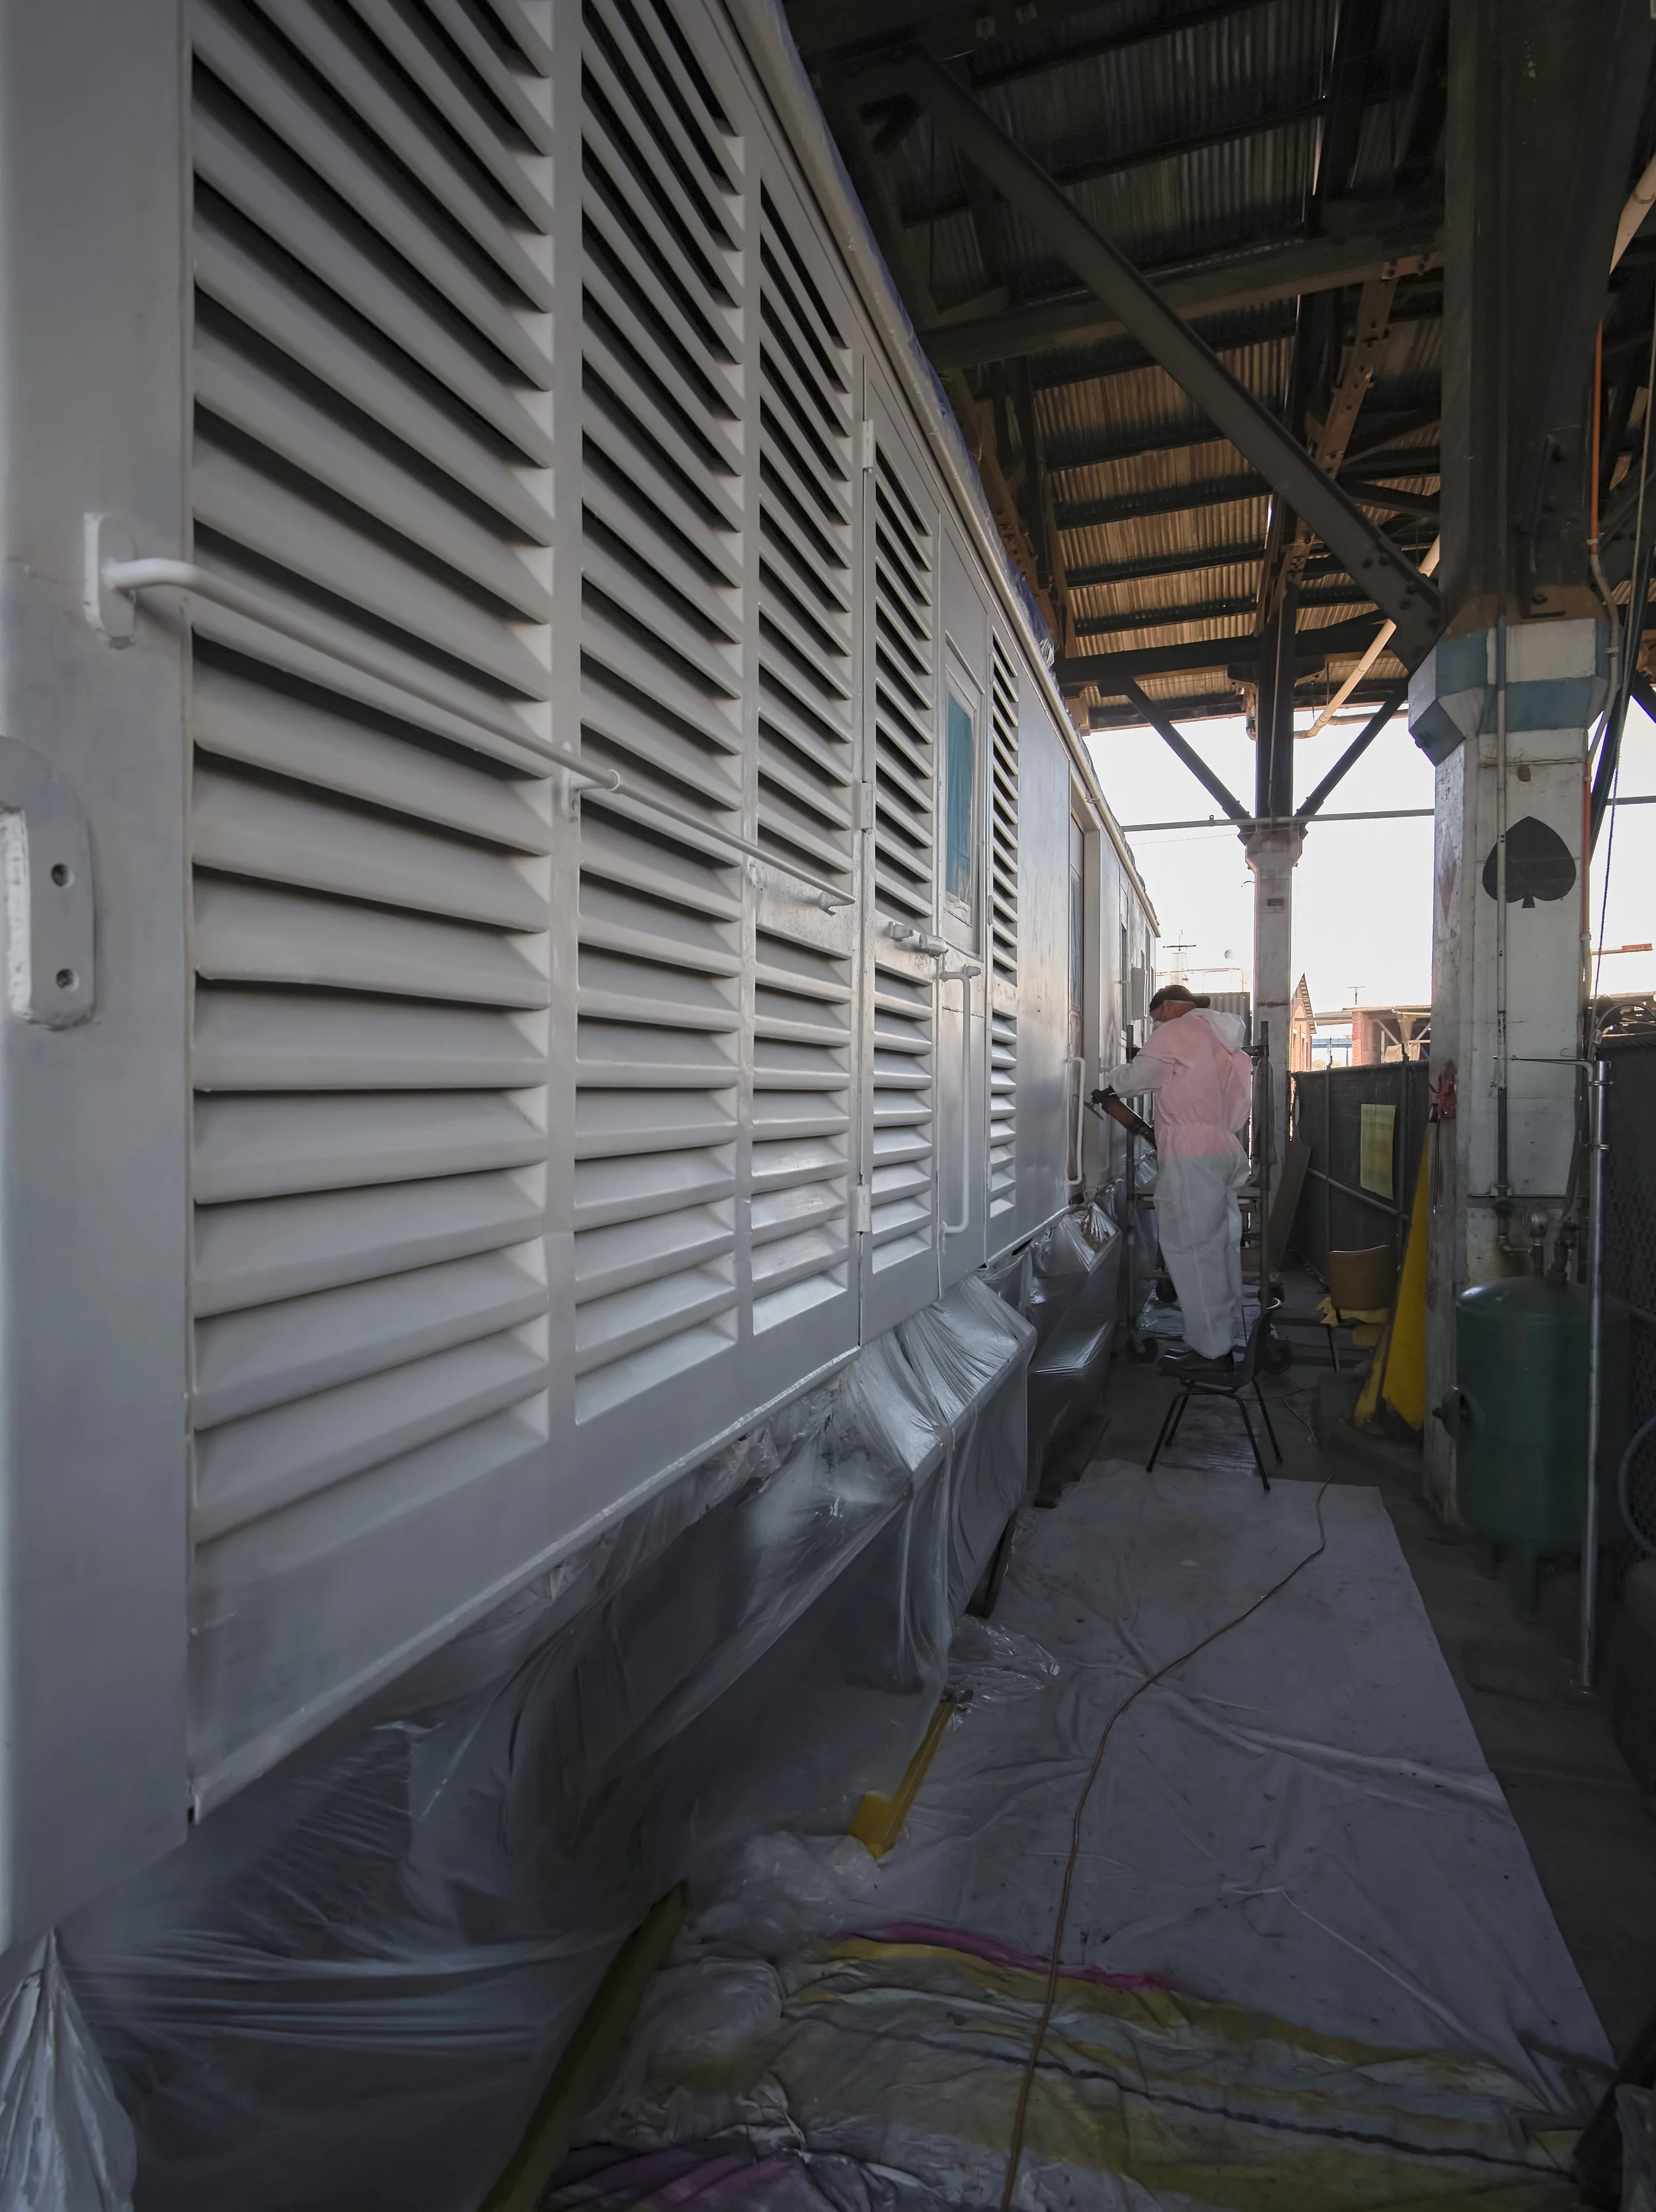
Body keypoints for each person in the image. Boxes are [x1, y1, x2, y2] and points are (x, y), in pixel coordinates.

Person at [1100, 985, 1254, 1370]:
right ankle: (1223, 1336)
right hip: (1222, 1145)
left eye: (1155, 1018)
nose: (1155, 1025)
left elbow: (1139, 1078)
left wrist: (1113, 1077)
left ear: (1168, 1007)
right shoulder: (1224, 1040)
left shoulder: (1177, 1031)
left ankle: (1212, 1352)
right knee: (1219, 1243)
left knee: (1192, 1247)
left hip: (1191, 1152)